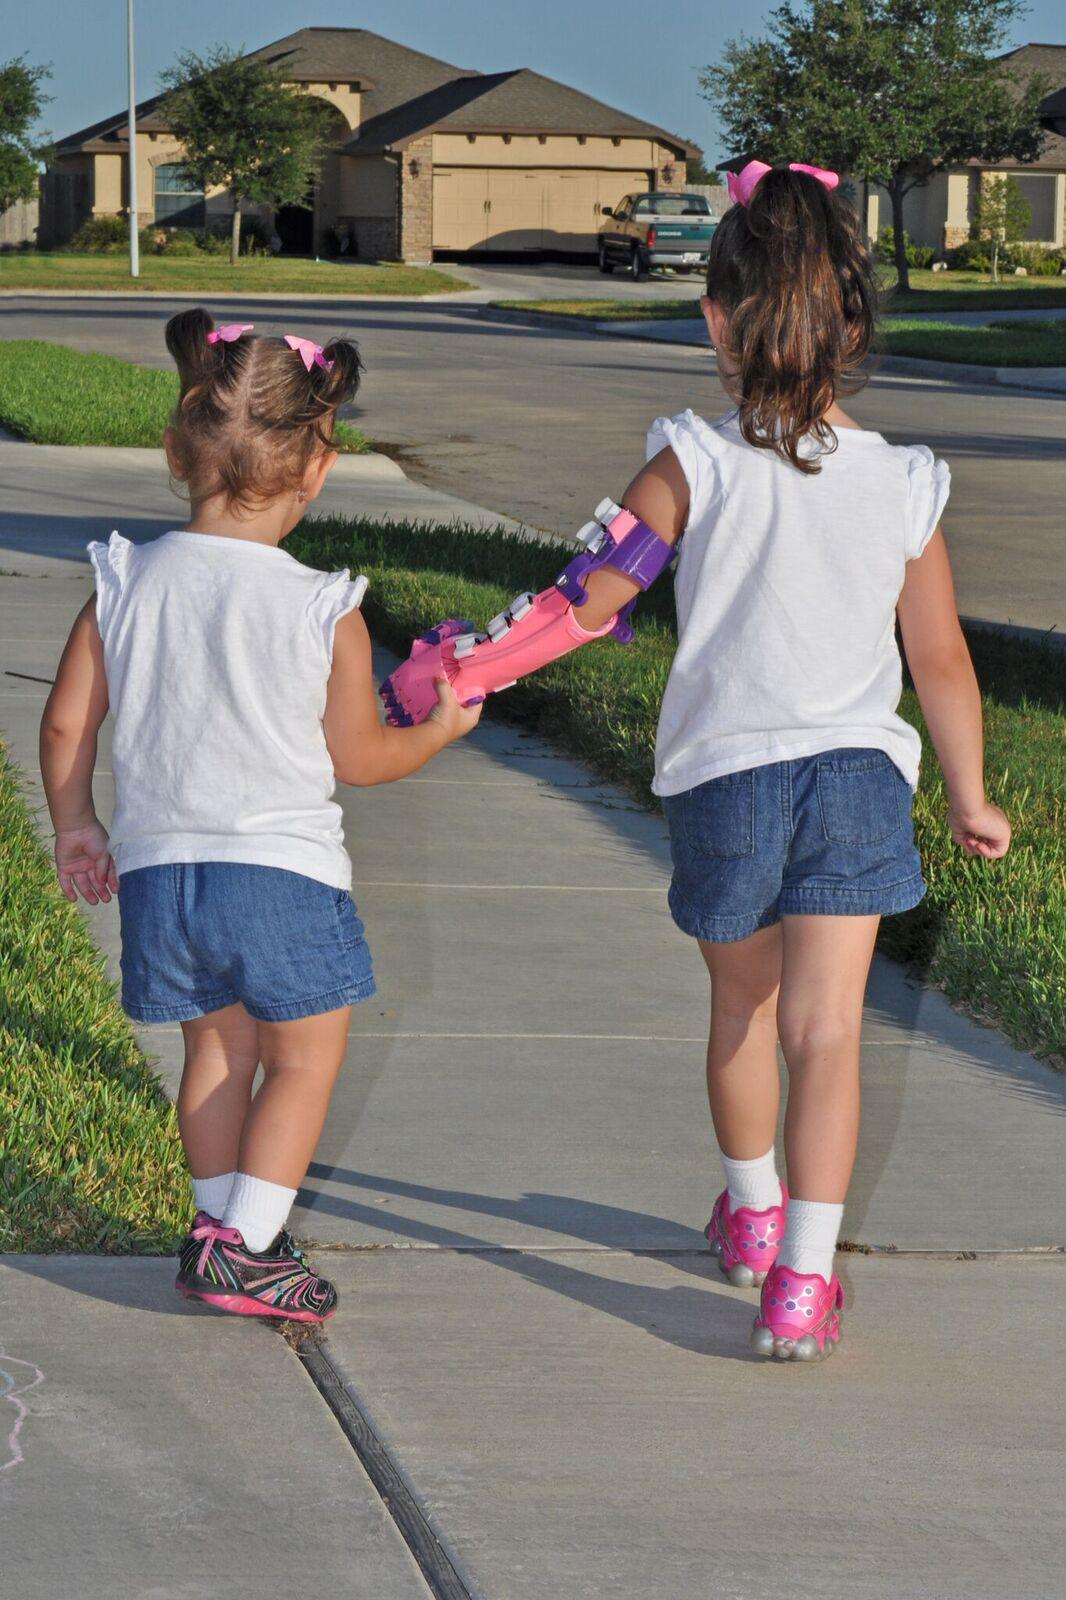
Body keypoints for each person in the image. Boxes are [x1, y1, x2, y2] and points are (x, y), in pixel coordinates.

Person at [428, 160, 1008, 1361]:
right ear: (855, 324)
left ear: (714, 319)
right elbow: (940, 657)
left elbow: (586, 600)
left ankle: (749, 1214)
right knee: (829, 1034)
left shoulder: (686, 459)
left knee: (742, 1009)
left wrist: (469, 670)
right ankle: (800, 1283)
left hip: (727, 780)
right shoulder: (904, 482)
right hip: (856, 776)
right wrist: (969, 793)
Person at [39, 310, 481, 1322]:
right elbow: (359, 758)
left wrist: (76, 821)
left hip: (163, 876)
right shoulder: (323, 606)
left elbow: (67, 726)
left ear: (173, 450)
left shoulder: (122, 581)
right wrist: (441, 729)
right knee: (305, 1056)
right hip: (280, 877)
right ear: (316, 469)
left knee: (216, 1054)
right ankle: (247, 1244)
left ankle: (212, 1225)